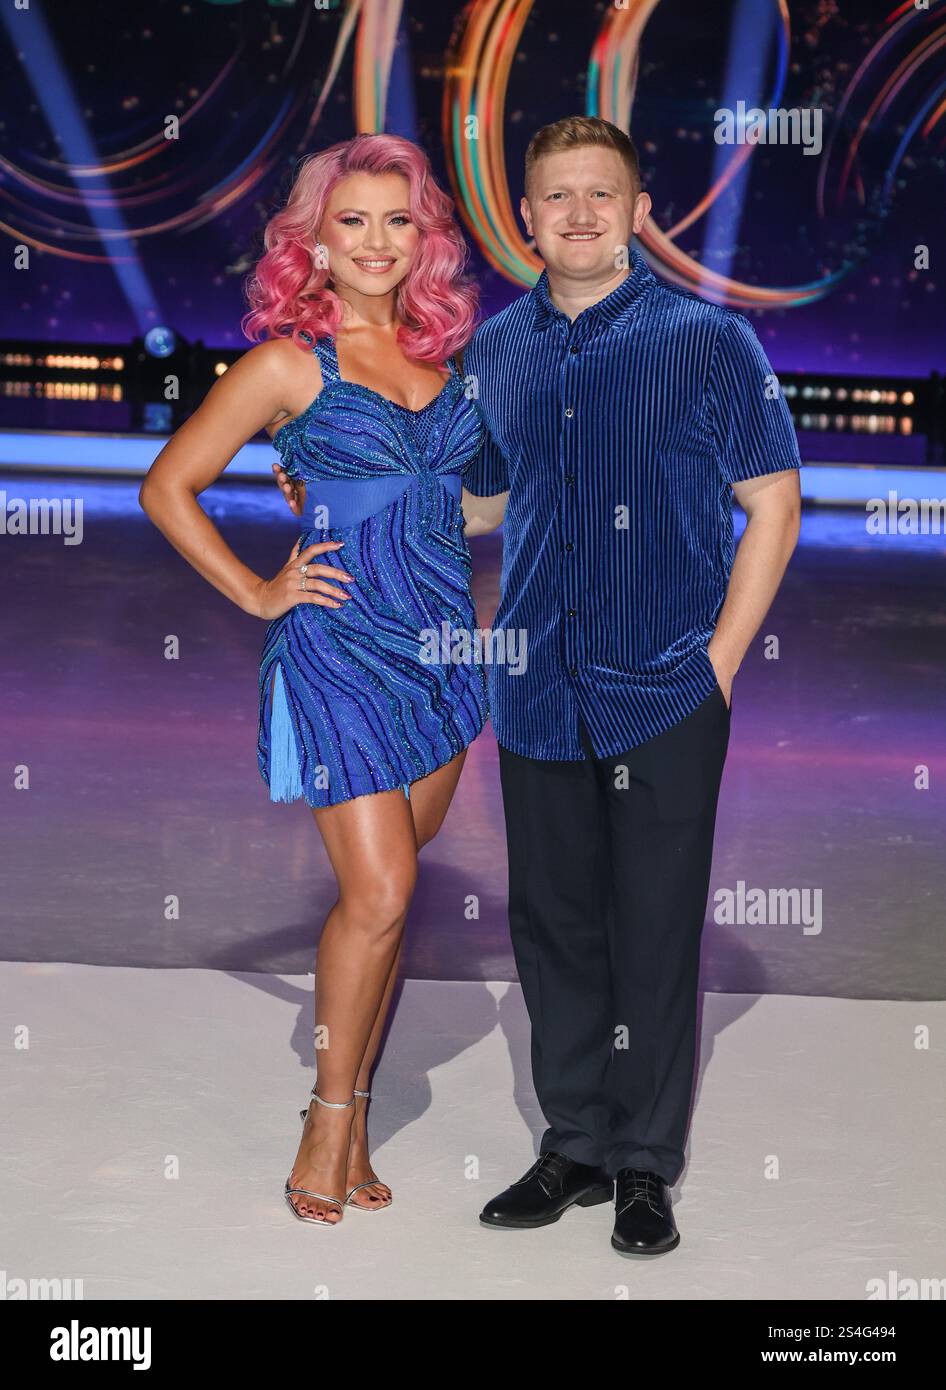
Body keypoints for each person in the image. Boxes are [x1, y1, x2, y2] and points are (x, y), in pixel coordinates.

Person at [280, 115, 802, 1255]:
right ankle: (572, 1140)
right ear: (525, 218)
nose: (576, 215)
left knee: (654, 931)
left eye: (599, 196)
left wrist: (716, 666)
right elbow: (464, 497)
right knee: (554, 928)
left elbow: (773, 503)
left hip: (664, 687)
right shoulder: (499, 351)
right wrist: (323, 481)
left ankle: (645, 1164)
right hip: (532, 691)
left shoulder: (709, 343)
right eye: (555, 197)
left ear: (638, 212)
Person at [139, 133, 505, 1227]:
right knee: (383, 891)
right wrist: (259, 592)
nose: (378, 241)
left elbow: (471, 507)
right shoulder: (291, 364)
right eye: (353, 220)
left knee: (386, 906)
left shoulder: (452, 372)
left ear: (425, 238)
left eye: (398, 219)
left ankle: (354, 1107)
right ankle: (330, 1115)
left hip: (442, 660)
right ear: (315, 240)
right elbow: (169, 487)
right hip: (337, 648)